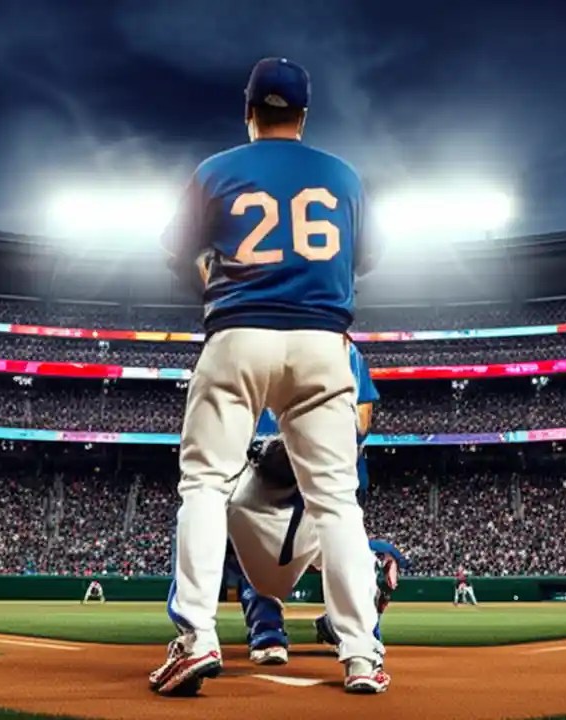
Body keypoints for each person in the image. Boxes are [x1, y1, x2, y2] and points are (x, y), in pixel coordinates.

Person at [152, 56, 384, 697]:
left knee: (204, 486)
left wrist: (214, 287)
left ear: (249, 109)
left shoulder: (216, 170)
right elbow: (364, 260)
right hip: (321, 340)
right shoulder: (343, 175)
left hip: (238, 332)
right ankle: (362, 654)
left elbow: (176, 255)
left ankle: (196, 638)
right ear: (305, 115)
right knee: (339, 502)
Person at [226, 338, 380, 667]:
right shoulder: (339, 348)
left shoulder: (344, 351)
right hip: (284, 470)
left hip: (314, 472)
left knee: (339, 546)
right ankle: (350, 639)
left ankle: (339, 630)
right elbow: (362, 420)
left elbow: (363, 419)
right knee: (343, 545)